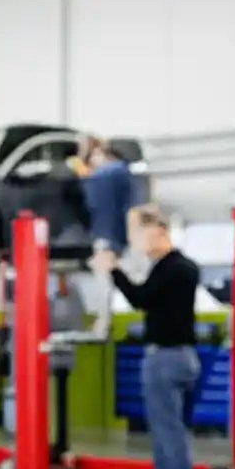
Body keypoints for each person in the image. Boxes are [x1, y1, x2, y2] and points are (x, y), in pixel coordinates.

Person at [91, 206, 200, 469]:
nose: (134, 241)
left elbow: (141, 298)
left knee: (167, 435)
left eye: (137, 232)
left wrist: (114, 270)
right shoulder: (181, 268)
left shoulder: (172, 268)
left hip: (165, 359)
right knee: (176, 433)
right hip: (184, 357)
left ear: (158, 229)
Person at [70, 136, 137, 338]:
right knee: (105, 278)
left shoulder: (112, 172)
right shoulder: (118, 173)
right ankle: (102, 322)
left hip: (107, 235)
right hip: (112, 235)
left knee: (103, 279)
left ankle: (102, 325)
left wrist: (78, 168)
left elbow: (90, 188)